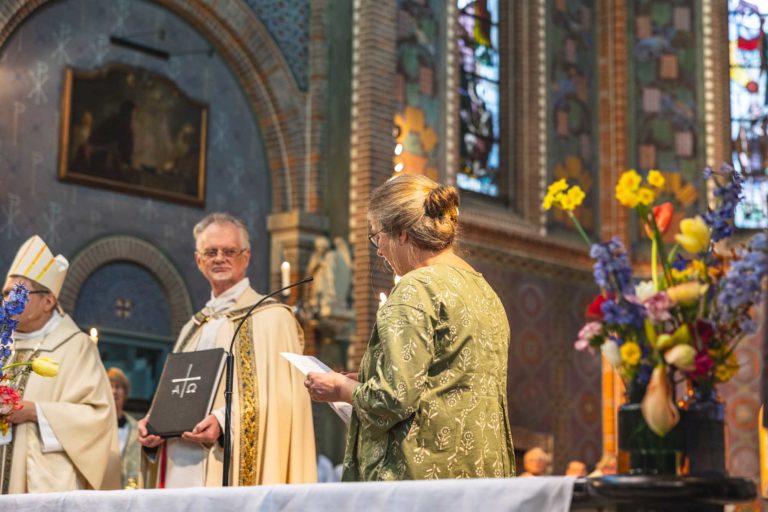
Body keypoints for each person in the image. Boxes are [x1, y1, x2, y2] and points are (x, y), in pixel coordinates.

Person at [304, 174, 515, 480]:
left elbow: (394, 399)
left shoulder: (416, 288)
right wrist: (365, 379)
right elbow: (445, 378)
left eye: (378, 236)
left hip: (423, 478)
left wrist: (341, 389)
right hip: (483, 474)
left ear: (402, 234)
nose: (379, 250)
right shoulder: (484, 291)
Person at [137, 213, 316, 487]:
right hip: (176, 467)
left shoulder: (273, 318)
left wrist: (223, 423)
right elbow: (174, 393)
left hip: (226, 466)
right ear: (199, 261)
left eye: (229, 251)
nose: (219, 258)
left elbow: (284, 400)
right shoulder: (193, 327)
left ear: (246, 257)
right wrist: (153, 425)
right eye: (210, 252)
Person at [0, 235, 120, 493]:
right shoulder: (3, 345)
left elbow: (98, 417)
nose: (8, 300)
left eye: (17, 292)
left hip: (42, 485)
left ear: (48, 301)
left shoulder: (76, 347)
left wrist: (33, 411)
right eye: (5, 293)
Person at [107, 367, 140, 489]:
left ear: (125, 392)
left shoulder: (135, 427)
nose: (114, 391)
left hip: (126, 489)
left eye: (118, 387)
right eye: (111, 386)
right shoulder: (96, 424)